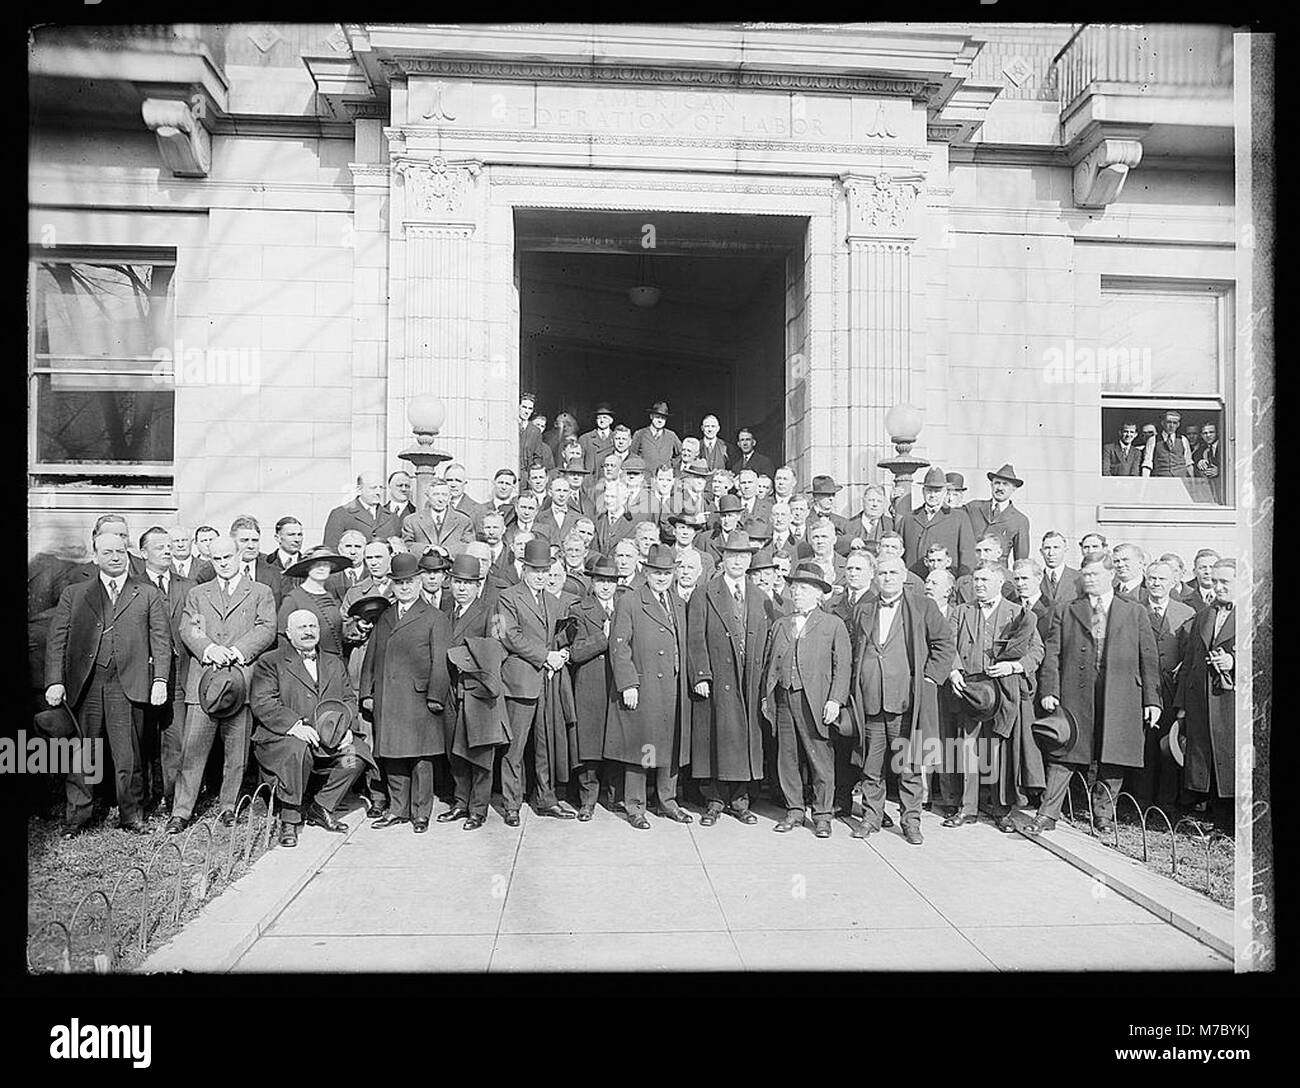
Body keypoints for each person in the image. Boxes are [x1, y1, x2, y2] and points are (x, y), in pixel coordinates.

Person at [44, 531, 171, 836]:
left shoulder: (147, 592)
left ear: (127, 553)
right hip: (85, 685)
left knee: (128, 755)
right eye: (108, 552)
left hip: (126, 685)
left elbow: (161, 641)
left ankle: (132, 815)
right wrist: (55, 682)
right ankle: (77, 818)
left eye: (120, 551)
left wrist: (160, 680)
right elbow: (56, 641)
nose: (115, 557)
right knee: (81, 753)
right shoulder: (75, 593)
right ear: (96, 555)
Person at [1032, 553, 1161, 835]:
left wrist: (1152, 700)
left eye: (1095, 575)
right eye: (1085, 574)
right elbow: (1052, 654)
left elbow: (1148, 657)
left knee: (1113, 753)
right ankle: (1047, 813)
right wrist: (1049, 690)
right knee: (1064, 750)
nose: (1088, 579)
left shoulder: (1134, 611)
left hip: (1122, 693)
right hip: (1075, 693)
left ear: (1110, 576)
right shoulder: (1066, 609)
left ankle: (1103, 814)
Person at [168, 534, 277, 833]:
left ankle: (228, 806)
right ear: (210, 560)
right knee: (192, 749)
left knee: (236, 752)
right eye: (217, 559)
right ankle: (181, 811)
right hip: (204, 681)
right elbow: (190, 627)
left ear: (240, 555)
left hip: (241, 681)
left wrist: (239, 651)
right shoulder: (199, 593)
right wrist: (208, 649)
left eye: (228, 557)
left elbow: (267, 628)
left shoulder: (260, 592)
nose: (223, 563)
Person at [849, 555, 954, 845]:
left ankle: (911, 822)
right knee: (871, 767)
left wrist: (931, 678)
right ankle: (871, 818)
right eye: (882, 573)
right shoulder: (864, 607)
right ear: (875, 576)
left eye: (893, 572)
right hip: (870, 701)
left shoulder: (922, 606)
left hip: (906, 703)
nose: (887, 578)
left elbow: (944, 643)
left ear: (904, 575)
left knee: (908, 766)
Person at [249, 610, 372, 847]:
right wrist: (294, 725)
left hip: (330, 737)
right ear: (288, 633)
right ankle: (290, 817)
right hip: (283, 737)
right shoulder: (271, 662)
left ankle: (322, 806)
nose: (308, 632)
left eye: (312, 627)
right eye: (301, 628)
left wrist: (344, 728)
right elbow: (263, 701)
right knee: (297, 751)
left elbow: (348, 699)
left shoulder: (333, 662)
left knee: (354, 756)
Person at [945, 563, 1043, 833]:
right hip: (971, 691)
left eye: (985, 580)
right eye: (976, 579)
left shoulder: (1017, 613)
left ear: (1001, 582)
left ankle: (1002, 810)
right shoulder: (961, 612)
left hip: (1003, 693)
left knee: (999, 750)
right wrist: (954, 671)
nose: (979, 584)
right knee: (968, 748)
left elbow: (1037, 651)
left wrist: (1014, 666)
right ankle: (967, 808)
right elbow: (947, 644)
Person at [360, 552, 452, 833]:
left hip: (419, 697)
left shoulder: (435, 617)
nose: (405, 587)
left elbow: (441, 661)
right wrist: (367, 692)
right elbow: (372, 657)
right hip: (389, 697)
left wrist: (436, 696)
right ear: (393, 585)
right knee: (393, 755)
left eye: (410, 581)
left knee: (421, 758)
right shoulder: (385, 616)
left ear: (420, 581)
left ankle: (420, 812)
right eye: (399, 583)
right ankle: (397, 809)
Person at [761, 562, 851, 838]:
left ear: (818, 594)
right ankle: (794, 810)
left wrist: (835, 700)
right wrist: (767, 696)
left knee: (820, 758)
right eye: (794, 588)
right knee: (786, 757)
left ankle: (822, 815)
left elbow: (843, 666)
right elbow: (769, 662)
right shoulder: (780, 624)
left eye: (804, 589)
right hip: (784, 699)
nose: (797, 593)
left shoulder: (833, 624)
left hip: (816, 701)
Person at [607, 543, 693, 829]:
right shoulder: (631, 601)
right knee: (643, 747)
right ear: (646, 571)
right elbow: (619, 646)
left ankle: (667, 801)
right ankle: (636, 805)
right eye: (656, 572)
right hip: (645, 686)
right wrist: (628, 683)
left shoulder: (677, 602)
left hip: (672, 686)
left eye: (667, 572)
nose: (662, 577)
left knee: (669, 746)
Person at [689, 531, 769, 827]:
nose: (738, 561)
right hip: (718, 676)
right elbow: (695, 637)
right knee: (717, 739)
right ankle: (714, 801)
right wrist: (701, 674)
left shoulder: (760, 597)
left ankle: (740, 801)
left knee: (745, 739)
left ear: (749, 560)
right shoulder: (705, 592)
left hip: (749, 677)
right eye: (733, 555)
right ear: (723, 557)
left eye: (744, 556)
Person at [495, 538, 576, 825]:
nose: (542, 575)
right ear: (524, 569)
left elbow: (554, 636)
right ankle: (512, 804)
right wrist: (545, 656)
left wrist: (562, 651)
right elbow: (508, 635)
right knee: (514, 748)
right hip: (520, 682)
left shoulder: (551, 600)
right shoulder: (508, 597)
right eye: (535, 570)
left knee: (545, 745)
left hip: (546, 681)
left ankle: (545, 799)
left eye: (546, 570)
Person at [1127, 560, 1195, 807]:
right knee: (1144, 744)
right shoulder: (1133, 609)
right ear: (1146, 580)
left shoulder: (1185, 613)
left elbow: (1191, 650)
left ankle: (1167, 802)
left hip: (1171, 688)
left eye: (1162, 579)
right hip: (1140, 686)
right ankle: (1141, 800)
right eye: (1152, 578)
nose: (1156, 583)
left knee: (1168, 742)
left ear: (1174, 582)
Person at [442, 553, 502, 829]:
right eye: (457, 582)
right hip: (451, 691)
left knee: (480, 752)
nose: (461, 588)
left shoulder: (491, 610)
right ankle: (459, 802)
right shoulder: (445, 611)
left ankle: (478, 808)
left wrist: (463, 655)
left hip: (478, 692)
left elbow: (496, 649)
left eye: (468, 583)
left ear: (478, 585)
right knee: (455, 750)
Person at [137, 527, 193, 814]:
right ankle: (146, 797)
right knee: (145, 741)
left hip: (180, 676)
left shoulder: (188, 585)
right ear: (143, 553)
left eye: (169, 546)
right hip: (143, 678)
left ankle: (171, 797)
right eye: (159, 547)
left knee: (177, 739)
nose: (168, 551)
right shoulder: (133, 587)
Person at [1173, 559, 1236, 816]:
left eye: (1225, 582)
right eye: (1215, 581)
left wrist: (1233, 661)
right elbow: (1189, 663)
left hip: (1231, 704)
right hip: (1200, 700)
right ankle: (1202, 812)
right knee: (1200, 758)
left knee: (1228, 758)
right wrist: (1181, 706)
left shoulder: (1256, 614)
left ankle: (1228, 816)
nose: (1218, 587)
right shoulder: (1204, 615)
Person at [567, 555, 620, 820]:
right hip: (590, 685)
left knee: (616, 741)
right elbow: (576, 652)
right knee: (588, 745)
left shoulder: (625, 605)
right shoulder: (580, 609)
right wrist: (604, 638)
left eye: (611, 581)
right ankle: (587, 800)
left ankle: (614, 796)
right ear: (593, 582)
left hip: (618, 684)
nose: (606, 586)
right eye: (601, 581)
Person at [894, 466, 976, 576]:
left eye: (937, 491)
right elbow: (898, 553)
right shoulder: (909, 519)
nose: (932, 495)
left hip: (945, 583)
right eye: (929, 490)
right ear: (923, 491)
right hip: (913, 583)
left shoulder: (959, 518)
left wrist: (962, 584)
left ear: (944, 492)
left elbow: (968, 557)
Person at [277, 546, 352, 657]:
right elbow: (282, 637)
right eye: (316, 564)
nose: (321, 568)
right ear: (308, 568)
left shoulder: (330, 596)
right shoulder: (293, 599)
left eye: (325, 564)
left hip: (336, 663)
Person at [964, 463, 1031, 564]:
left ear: (1013, 489)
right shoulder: (973, 507)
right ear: (991, 485)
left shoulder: (1020, 520)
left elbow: (1021, 561)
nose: (1000, 488)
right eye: (997, 483)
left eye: (1005, 484)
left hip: (998, 574)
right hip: (972, 571)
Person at [324, 471, 403, 548]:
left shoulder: (392, 517)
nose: (378, 492)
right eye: (373, 488)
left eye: (381, 488)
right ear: (359, 490)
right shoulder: (340, 514)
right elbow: (330, 549)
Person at [402, 479, 474, 550]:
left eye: (444, 495)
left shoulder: (464, 521)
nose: (440, 499)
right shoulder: (411, 521)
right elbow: (407, 545)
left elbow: (468, 546)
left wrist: (447, 552)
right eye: (435, 494)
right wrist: (425, 549)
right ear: (427, 496)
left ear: (450, 496)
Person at [230, 515, 285, 609]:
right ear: (232, 541)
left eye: (255, 540)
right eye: (244, 541)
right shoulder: (216, 571)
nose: (251, 546)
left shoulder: (276, 574)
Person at [837, 483, 895, 556]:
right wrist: (849, 543)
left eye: (879, 501)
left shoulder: (892, 525)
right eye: (871, 500)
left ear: (884, 504)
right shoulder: (848, 525)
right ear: (863, 501)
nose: (875, 504)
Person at [628, 401, 682, 478]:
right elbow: (632, 454)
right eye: (657, 417)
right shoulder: (640, 434)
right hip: (645, 479)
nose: (660, 420)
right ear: (651, 416)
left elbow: (681, 453)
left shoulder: (671, 435)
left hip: (664, 479)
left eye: (663, 418)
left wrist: (671, 464)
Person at [1141, 410, 1193, 478]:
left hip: (1180, 480)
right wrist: (1144, 483)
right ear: (1162, 423)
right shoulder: (1153, 440)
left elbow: (1188, 463)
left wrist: (1192, 482)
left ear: (1178, 425)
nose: (1171, 425)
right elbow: (1147, 463)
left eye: (1174, 423)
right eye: (1169, 422)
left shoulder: (1183, 439)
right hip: (1160, 480)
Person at [1038, 531, 1080, 606]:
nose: (1051, 553)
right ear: (1041, 552)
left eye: (1056, 547)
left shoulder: (1079, 577)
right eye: (1047, 548)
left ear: (1065, 550)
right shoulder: (1035, 579)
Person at [518, 392, 553, 475]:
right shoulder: (511, 426)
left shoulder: (535, 431)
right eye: (524, 407)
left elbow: (537, 456)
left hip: (526, 473)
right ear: (518, 407)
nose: (526, 411)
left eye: (530, 408)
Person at [578, 402, 617, 475]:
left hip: (609, 479)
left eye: (605, 417)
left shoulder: (617, 438)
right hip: (590, 480)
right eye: (599, 418)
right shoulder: (585, 439)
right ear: (596, 421)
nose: (602, 420)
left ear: (611, 421)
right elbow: (579, 463)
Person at [1193, 422, 1224, 503]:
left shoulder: (1224, 446)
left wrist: (1220, 471)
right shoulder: (1203, 448)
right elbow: (1195, 457)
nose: (1208, 435)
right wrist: (1199, 461)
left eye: (1211, 432)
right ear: (1201, 435)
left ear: (1217, 433)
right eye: (1205, 433)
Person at [1185, 548, 1222, 612]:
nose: (1207, 572)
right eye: (1202, 568)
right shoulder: (1184, 602)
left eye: (1212, 567)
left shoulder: (1230, 600)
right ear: (1194, 572)